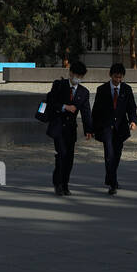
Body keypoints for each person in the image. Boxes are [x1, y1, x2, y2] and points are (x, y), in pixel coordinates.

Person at [44, 59, 91, 196]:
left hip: (71, 129)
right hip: (58, 126)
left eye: (81, 77)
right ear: (70, 73)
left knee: (69, 158)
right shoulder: (59, 85)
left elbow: (86, 111)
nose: (78, 78)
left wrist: (88, 129)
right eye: (76, 75)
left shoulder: (84, 92)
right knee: (62, 154)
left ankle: (65, 184)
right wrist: (65, 107)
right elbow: (51, 102)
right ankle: (58, 183)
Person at [91, 62, 137, 195]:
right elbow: (96, 110)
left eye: (120, 77)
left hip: (121, 127)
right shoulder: (102, 89)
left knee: (117, 155)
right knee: (109, 155)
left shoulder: (127, 89)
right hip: (106, 126)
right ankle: (112, 184)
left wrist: (133, 121)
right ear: (110, 75)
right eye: (115, 77)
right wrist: (92, 128)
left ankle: (111, 178)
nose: (118, 80)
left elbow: (131, 107)